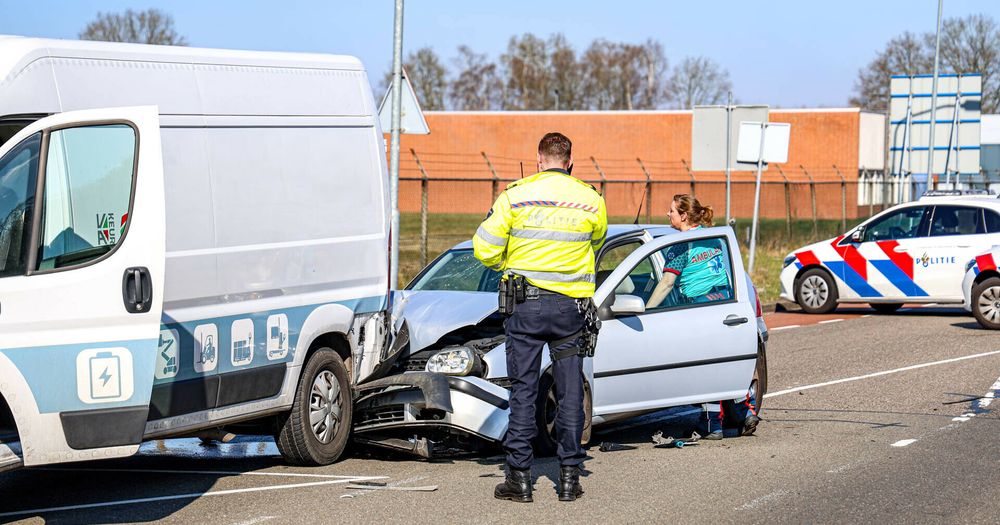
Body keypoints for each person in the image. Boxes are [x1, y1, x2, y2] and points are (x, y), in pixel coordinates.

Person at [474, 132, 607, 503]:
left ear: (538, 159)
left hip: (526, 307)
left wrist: (508, 262)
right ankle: (569, 479)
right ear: (570, 161)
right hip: (571, 310)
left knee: (524, 390)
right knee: (569, 393)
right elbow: (596, 242)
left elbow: (483, 248)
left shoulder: (515, 195)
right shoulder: (592, 199)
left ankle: (519, 480)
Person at [646, 194, 760, 439]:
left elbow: (667, 283)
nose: (668, 214)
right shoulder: (712, 238)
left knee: (706, 368)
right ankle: (745, 412)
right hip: (724, 302)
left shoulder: (681, 244)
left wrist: (647, 309)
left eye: (672, 211)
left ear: (684, 215)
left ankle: (712, 424)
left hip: (700, 308)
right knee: (728, 363)